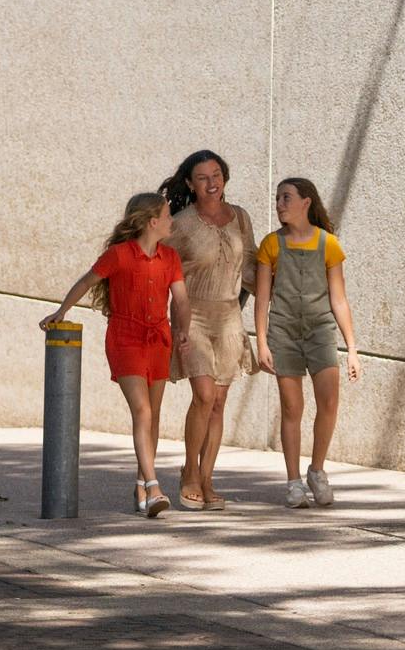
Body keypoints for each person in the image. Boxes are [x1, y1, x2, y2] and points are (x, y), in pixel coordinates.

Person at [40, 192, 190, 518]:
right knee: (142, 411)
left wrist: (182, 330)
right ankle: (152, 486)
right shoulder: (119, 255)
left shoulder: (171, 257)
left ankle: (139, 484)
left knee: (153, 413)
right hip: (126, 339)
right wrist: (61, 311)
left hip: (158, 340)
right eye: (167, 215)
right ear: (152, 222)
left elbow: (180, 300)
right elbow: (85, 281)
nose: (171, 221)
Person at [253, 177, 361, 509]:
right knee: (292, 408)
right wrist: (261, 341)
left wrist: (352, 348)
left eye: (287, 197)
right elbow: (261, 299)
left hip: (320, 331)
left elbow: (339, 299)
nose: (280, 204)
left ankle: (317, 470)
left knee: (329, 403)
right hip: (283, 331)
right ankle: (293, 482)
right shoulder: (271, 245)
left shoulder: (329, 244)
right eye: (277, 198)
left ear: (306, 203)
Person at [163, 149, 256, 511]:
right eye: (202, 177)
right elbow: (161, 266)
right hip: (193, 315)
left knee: (218, 402)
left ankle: (207, 477)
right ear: (190, 183)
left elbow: (251, 266)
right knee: (203, 395)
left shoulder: (241, 218)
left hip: (230, 316)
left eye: (216, 174)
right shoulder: (181, 223)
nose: (211, 182)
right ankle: (188, 472)